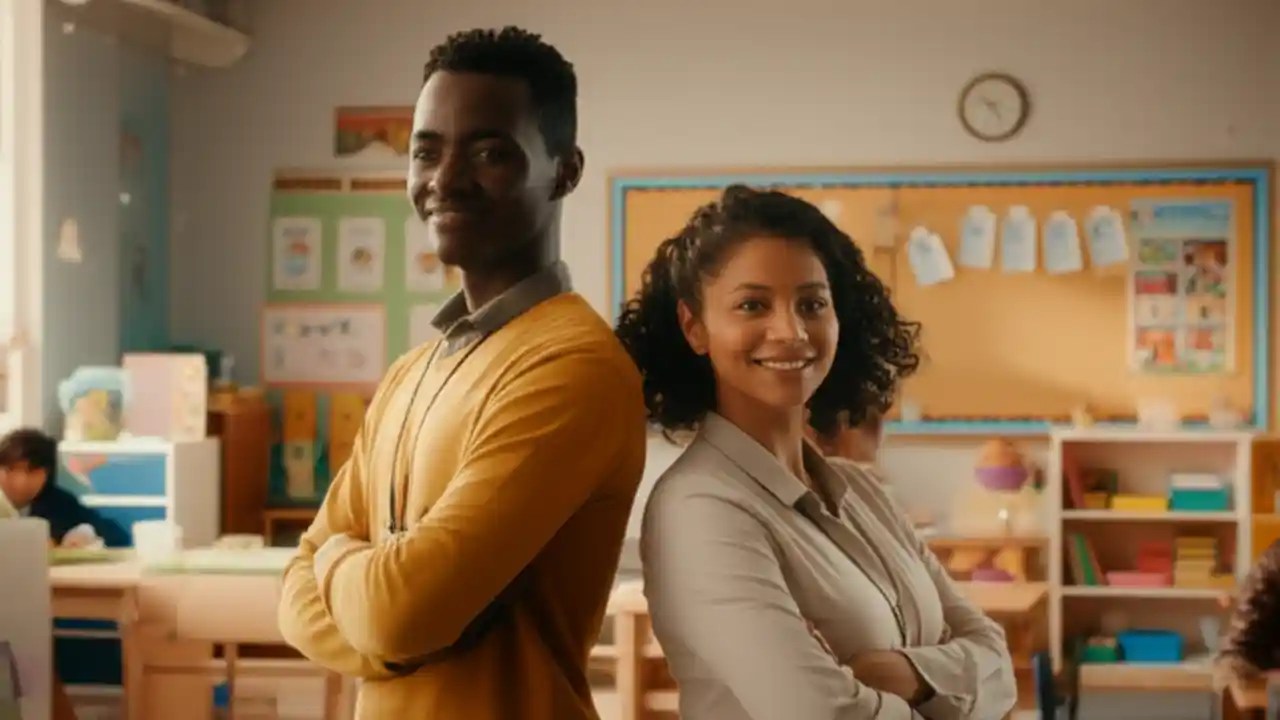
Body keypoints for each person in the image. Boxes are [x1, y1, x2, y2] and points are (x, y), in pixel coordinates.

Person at [276, 26, 648, 720]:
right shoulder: (411, 372)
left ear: (564, 169)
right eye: (426, 153)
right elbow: (295, 595)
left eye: (488, 153)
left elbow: (400, 616)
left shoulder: (573, 367)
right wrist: (357, 584)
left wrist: (339, 570)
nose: (444, 180)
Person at [615, 185, 1016, 719]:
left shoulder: (863, 491)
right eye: (752, 305)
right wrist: (954, 685)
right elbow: (821, 715)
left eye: (812, 304)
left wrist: (903, 676)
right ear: (695, 327)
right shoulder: (700, 508)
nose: (791, 331)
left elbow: (999, 665)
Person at [0, 427, 128, 548]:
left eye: (32, 471)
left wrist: (88, 532)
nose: (21, 481)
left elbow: (117, 535)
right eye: (11, 469)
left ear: (47, 473)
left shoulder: (58, 502)